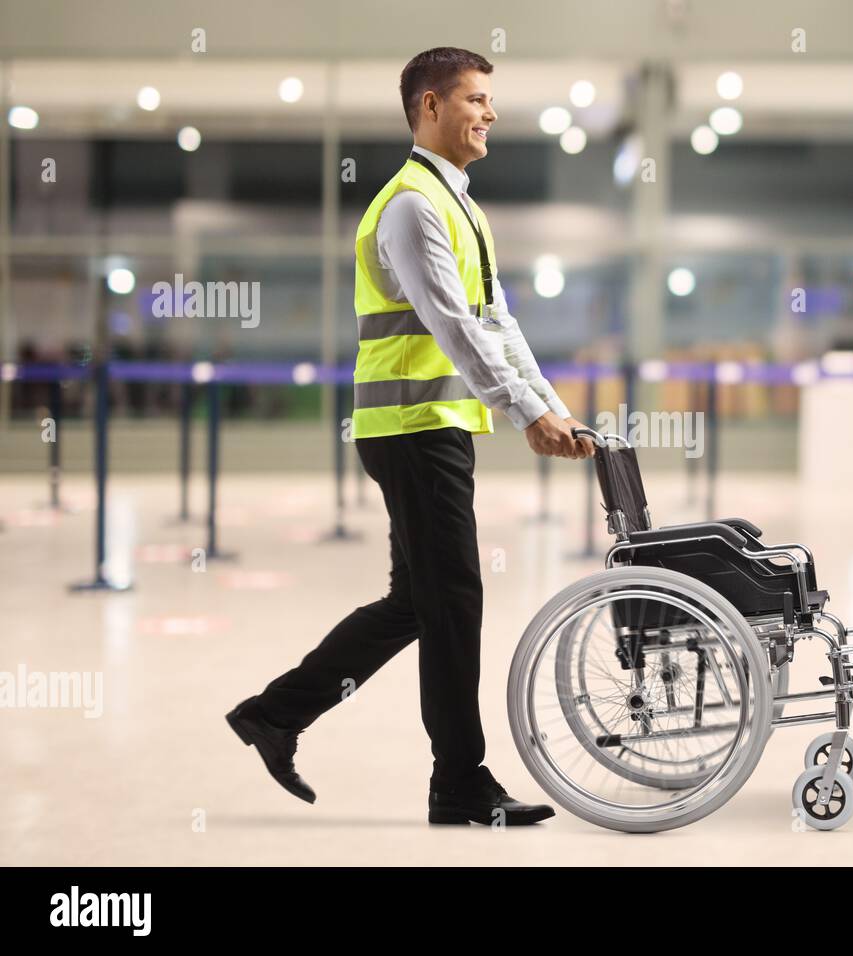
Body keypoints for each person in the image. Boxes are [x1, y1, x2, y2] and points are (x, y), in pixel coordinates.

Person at [226, 46, 594, 827]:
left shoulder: (461, 205)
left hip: (436, 425)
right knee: (455, 598)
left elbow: (499, 323)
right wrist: (526, 412)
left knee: (419, 602)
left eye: (491, 100)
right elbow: (450, 325)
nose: (489, 113)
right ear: (430, 107)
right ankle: (458, 782)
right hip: (411, 428)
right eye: (475, 99)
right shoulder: (410, 206)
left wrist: (547, 404)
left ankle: (274, 714)